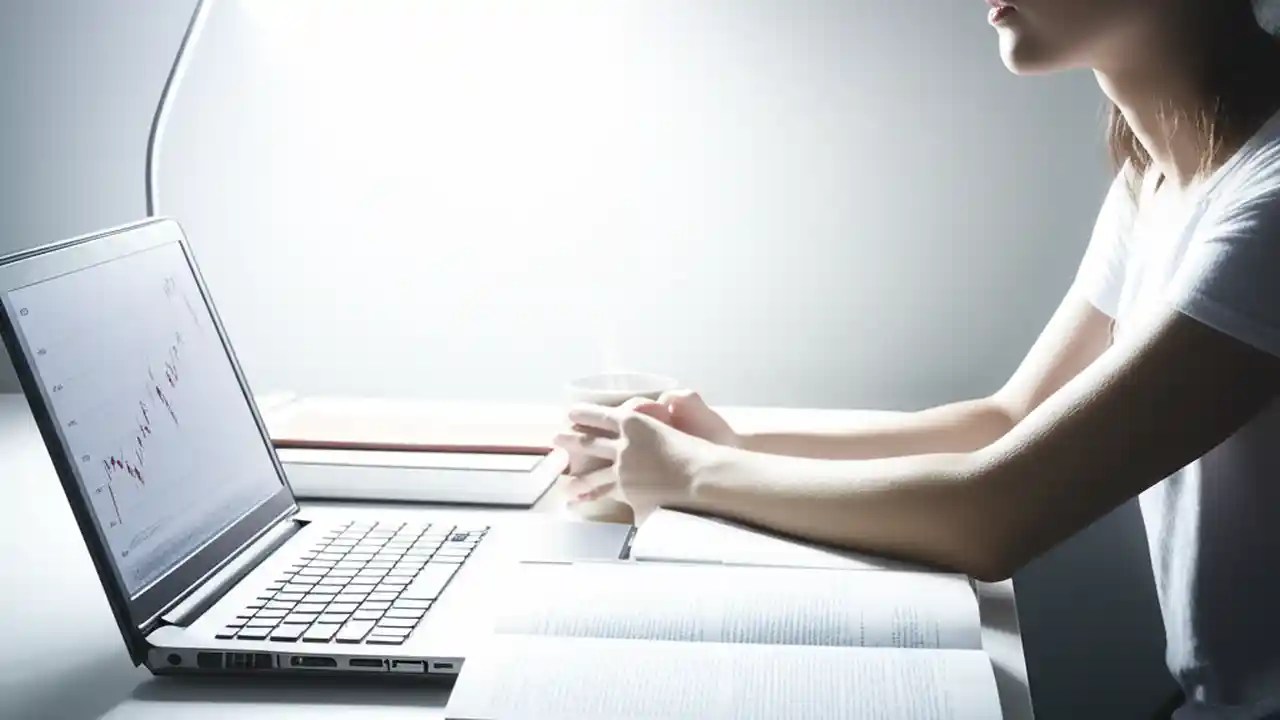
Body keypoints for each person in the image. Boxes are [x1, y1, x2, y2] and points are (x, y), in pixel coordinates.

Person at [554, 1, 1280, 717]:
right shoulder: (1156, 180)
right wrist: (734, 446)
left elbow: (994, 513)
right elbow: (1007, 421)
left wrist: (692, 475)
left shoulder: (1268, 203)